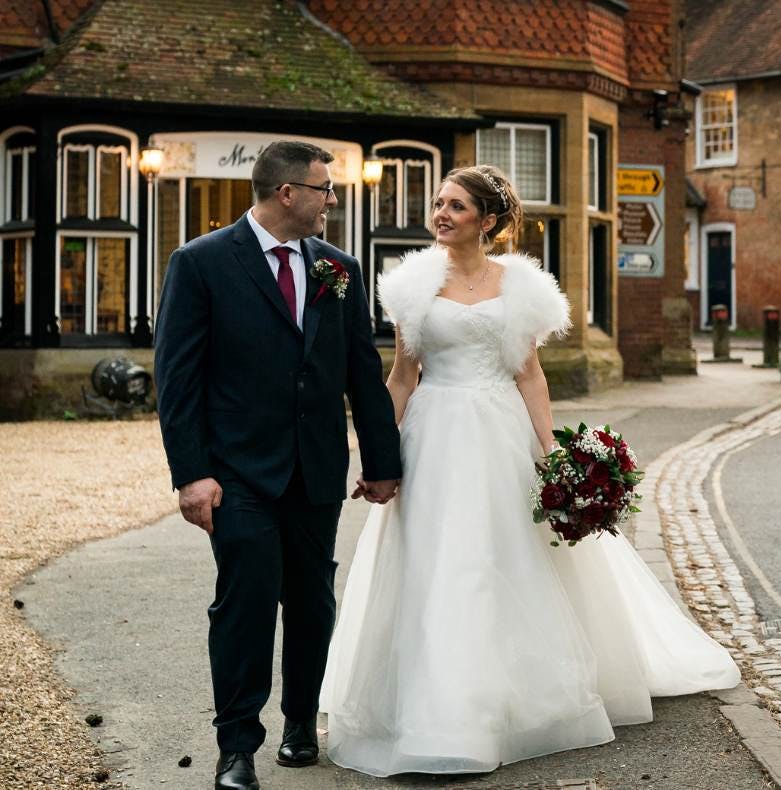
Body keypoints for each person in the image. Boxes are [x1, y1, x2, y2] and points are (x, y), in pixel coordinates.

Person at [318, 165, 741, 777]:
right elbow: (402, 377)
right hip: (433, 436)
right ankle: (436, 710)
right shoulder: (411, 285)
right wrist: (380, 454)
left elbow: (529, 376)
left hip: (499, 434)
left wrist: (556, 457)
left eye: (456, 206)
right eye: (438, 203)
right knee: (438, 563)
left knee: (501, 558)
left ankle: (506, 703)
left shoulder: (519, 286)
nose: (440, 214)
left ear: (486, 221)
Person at [154, 140, 403, 790]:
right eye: (325, 188)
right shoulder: (201, 263)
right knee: (246, 605)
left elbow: (362, 376)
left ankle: (298, 725)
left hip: (316, 471)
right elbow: (177, 380)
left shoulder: (337, 269)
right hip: (237, 474)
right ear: (288, 193)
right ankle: (236, 747)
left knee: (313, 604)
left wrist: (382, 462)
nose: (332, 200)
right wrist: (191, 474)